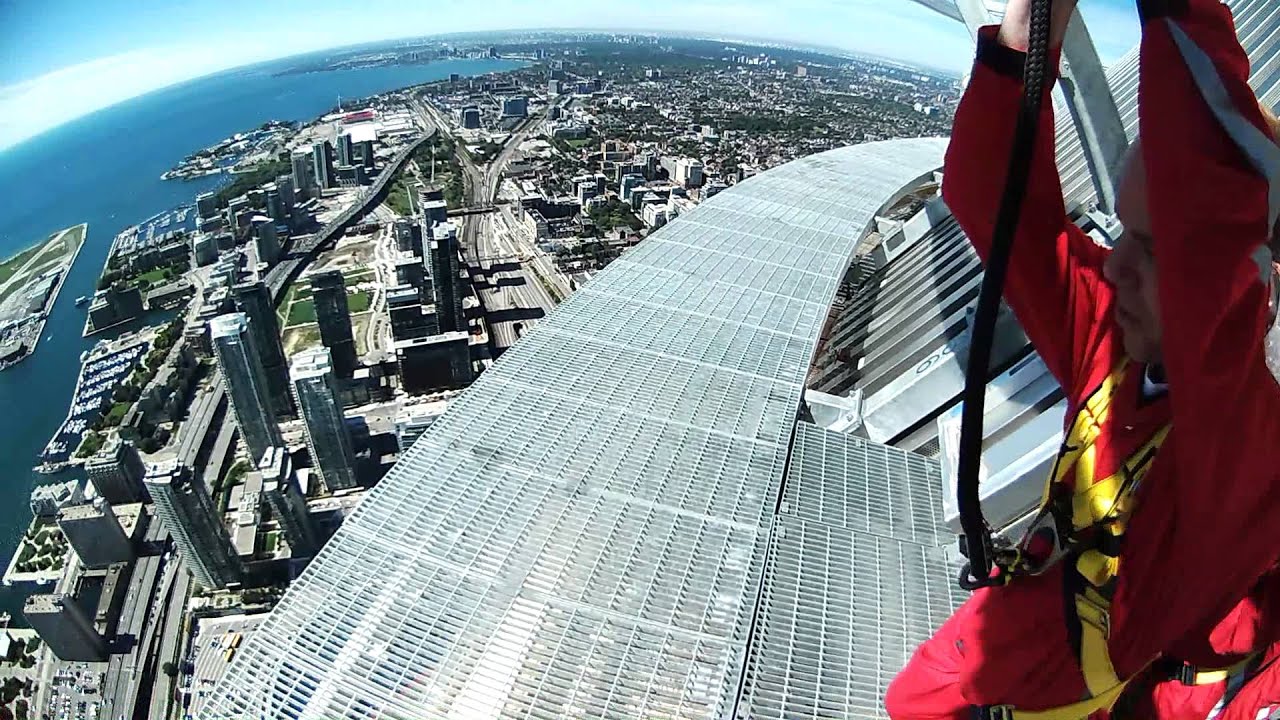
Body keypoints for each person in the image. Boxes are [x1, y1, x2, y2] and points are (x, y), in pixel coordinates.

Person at [884, 0, 1280, 718]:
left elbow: (1212, 207)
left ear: (1229, 281)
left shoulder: (1243, 450)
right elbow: (995, 200)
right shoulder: (1115, 341)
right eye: (1123, 231)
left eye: (1155, 248)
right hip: (976, 680)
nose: (1117, 263)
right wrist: (1026, 38)